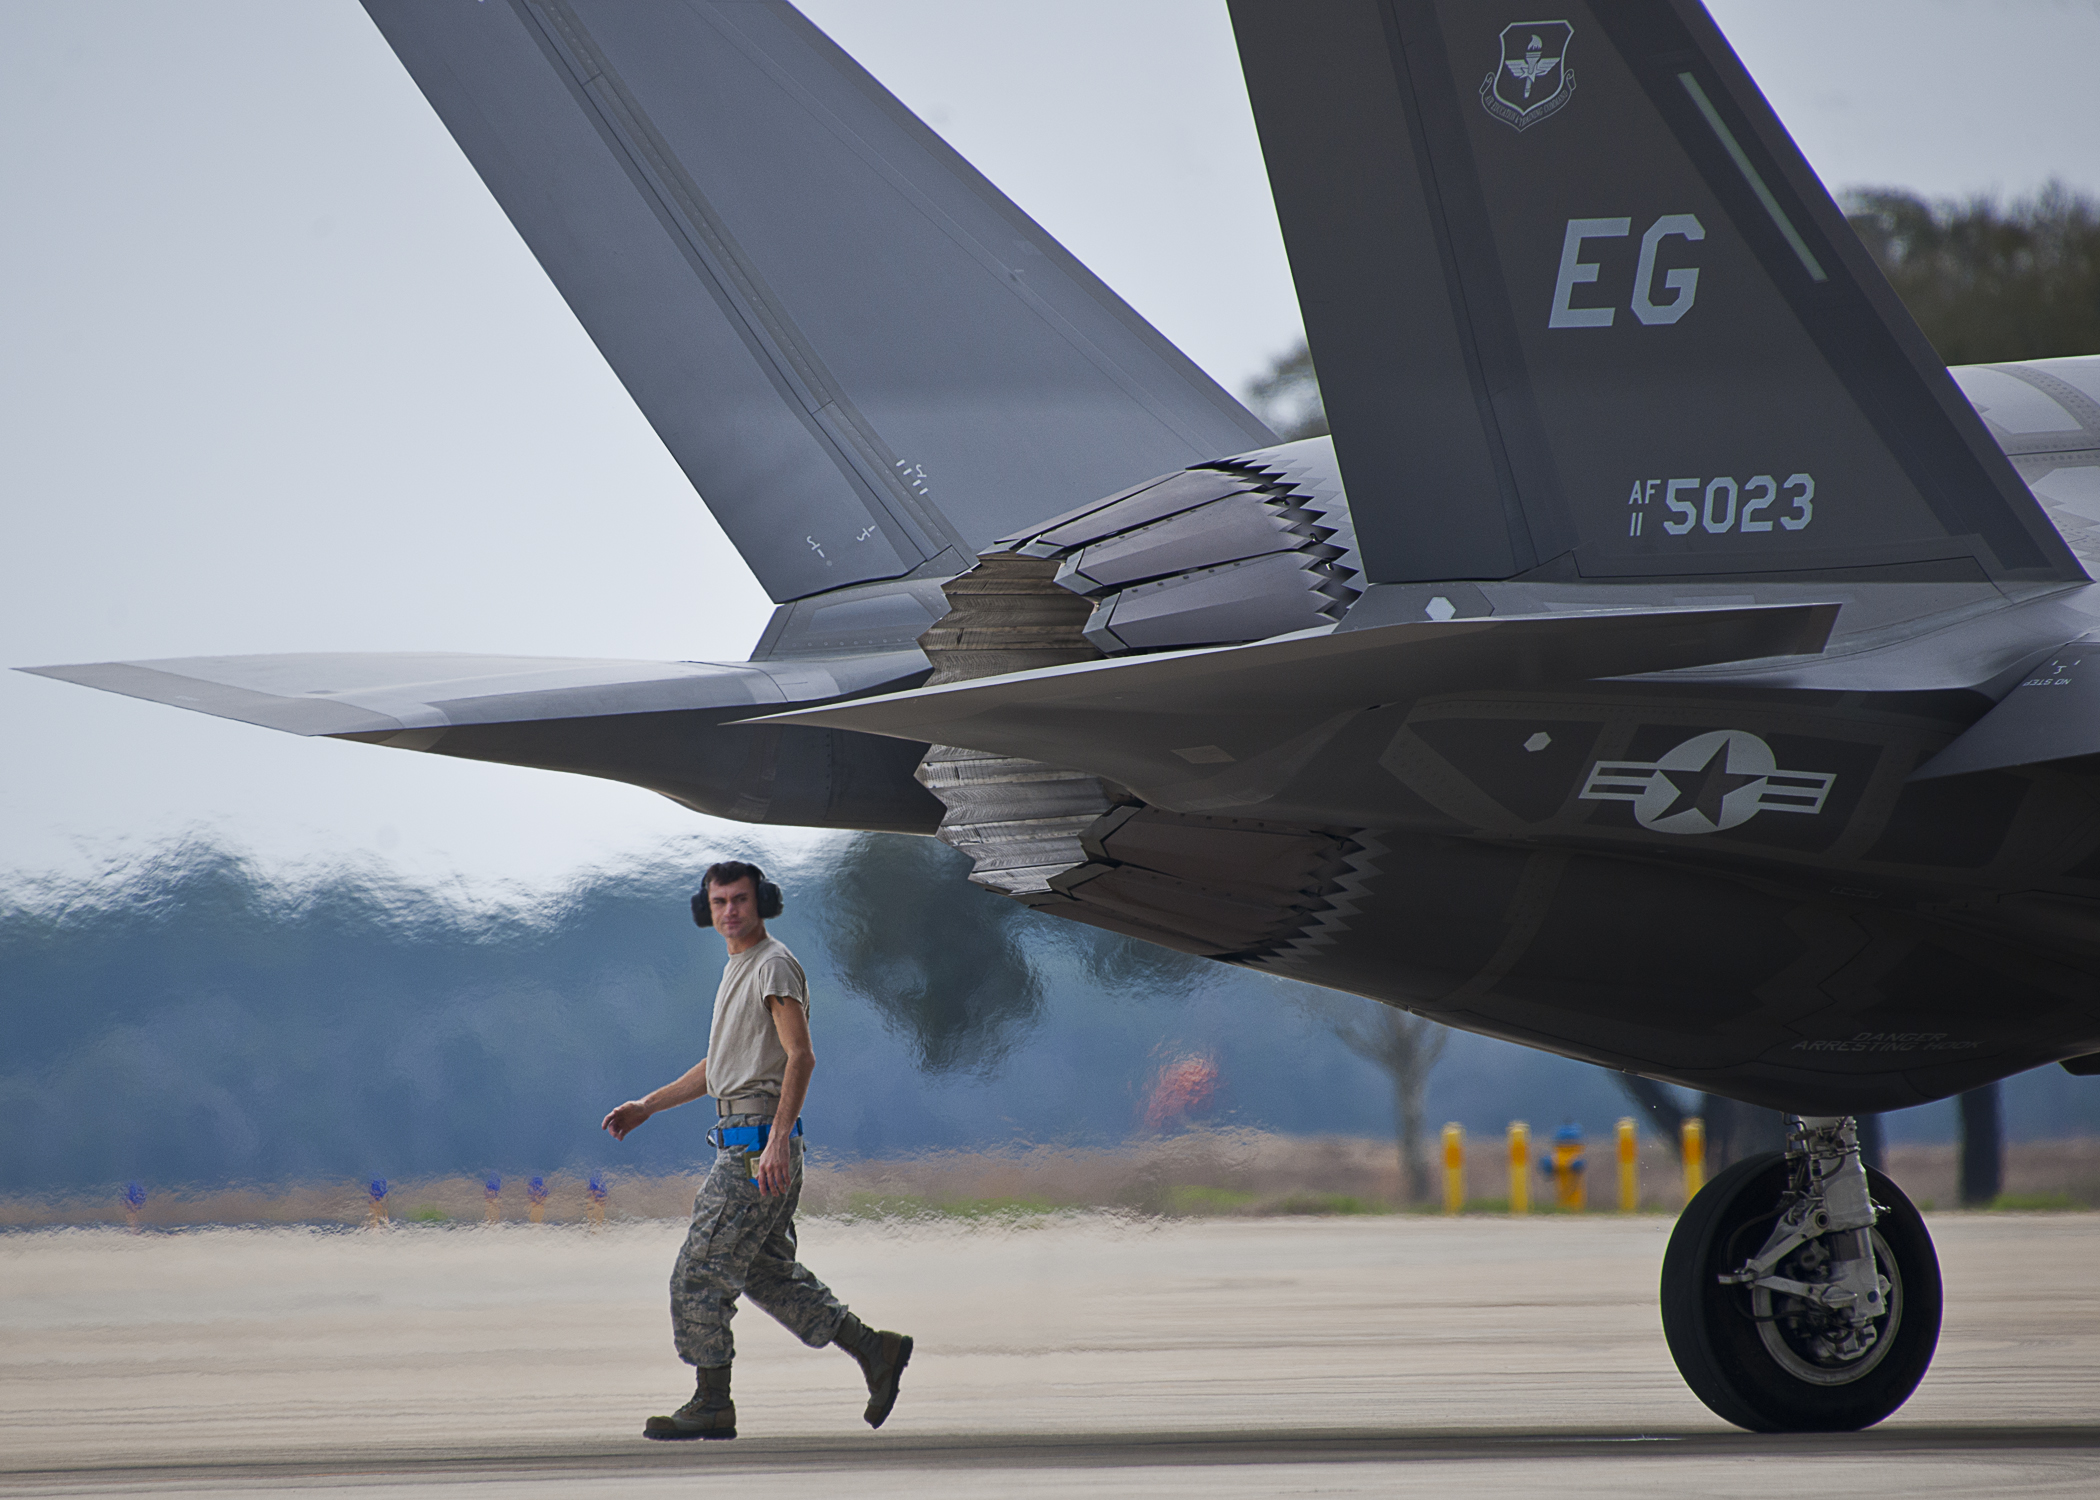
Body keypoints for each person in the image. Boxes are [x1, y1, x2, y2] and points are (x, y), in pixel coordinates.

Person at [601, 860, 912, 1441]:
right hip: (755, 1143)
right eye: (718, 902)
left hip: (754, 1151)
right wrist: (648, 1105)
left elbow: (801, 1055)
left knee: (698, 1272)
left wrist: (774, 1144)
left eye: (739, 900)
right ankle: (875, 1350)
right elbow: (720, 1068)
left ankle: (713, 1403)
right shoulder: (738, 968)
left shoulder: (771, 965)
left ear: (761, 901)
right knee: (766, 1274)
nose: (729, 912)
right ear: (706, 909)